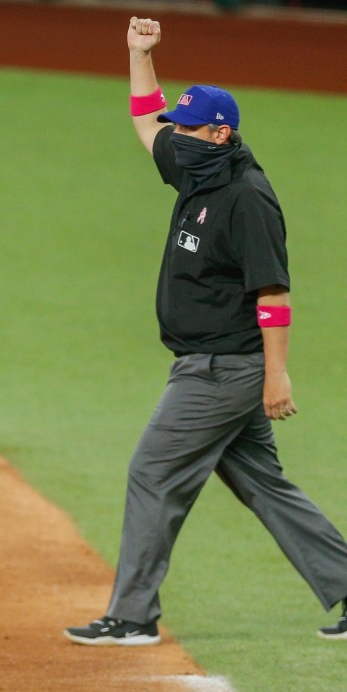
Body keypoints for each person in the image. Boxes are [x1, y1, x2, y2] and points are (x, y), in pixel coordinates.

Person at [64, 18, 347, 646]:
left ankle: (133, 616)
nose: (175, 134)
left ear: (220, 133)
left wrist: (277, 373)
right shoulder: (200, 169)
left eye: (187, 127)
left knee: (151, 472)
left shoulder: (247, 198)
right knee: (262, 483)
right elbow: (146, 120)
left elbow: (272, 293)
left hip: (226, 368)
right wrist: (140, 56)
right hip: (215, 365)